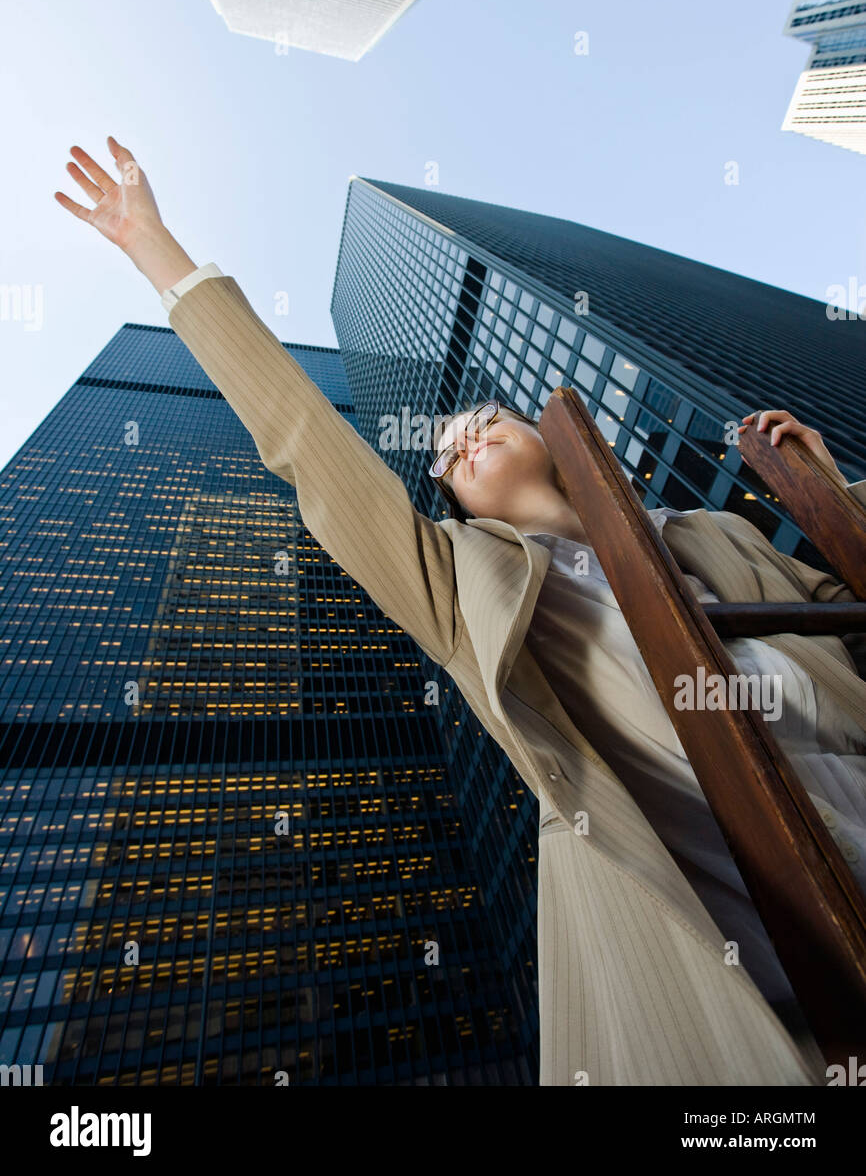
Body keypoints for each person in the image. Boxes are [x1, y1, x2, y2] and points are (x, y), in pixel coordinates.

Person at [56, 137, 866, 1087]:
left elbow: (844, 608)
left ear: (555, 438)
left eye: (485, 417)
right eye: (444, 452)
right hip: (737, 924)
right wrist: (157, 250)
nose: (463, 435)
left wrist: (831, 492)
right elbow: (310, 445)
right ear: (457, 506)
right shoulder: (462, 587)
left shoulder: (712, 528)